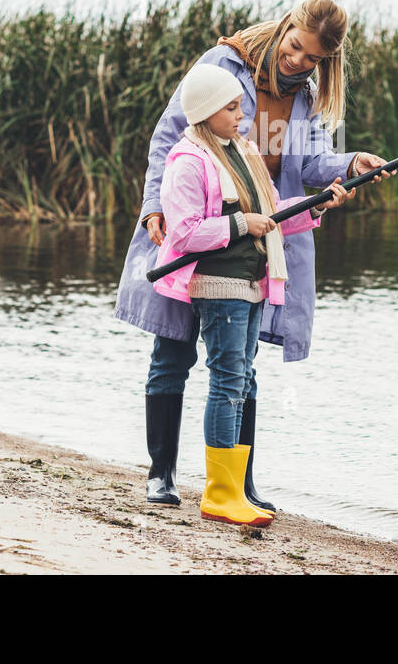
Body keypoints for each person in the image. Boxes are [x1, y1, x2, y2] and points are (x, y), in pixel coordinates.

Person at [113, 0, 393, 510]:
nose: (298, 62)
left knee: (241, 363)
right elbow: (166, 136)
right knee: (173, 350)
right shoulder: (222, 65)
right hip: (196, 229)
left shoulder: (304, 97)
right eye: (295, 47)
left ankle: (238, 483)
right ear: (286, 27)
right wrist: (154, 205)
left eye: (312, 59)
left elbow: (310, 164)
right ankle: (162, 475)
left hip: (257, 235)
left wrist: (350, 163)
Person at [154, 63, 353, 525]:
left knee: (241, 380)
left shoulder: (239, 151)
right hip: (219, 285)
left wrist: (316, 202)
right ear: (205, 112)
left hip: (252, 282)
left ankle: (235, 490)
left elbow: (273, 211)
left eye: (240, 105)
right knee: (226, 382)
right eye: (231, 107)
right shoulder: (188, 161)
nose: (243, 115)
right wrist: (242, 223)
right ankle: (220, 494)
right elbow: (182, 233)